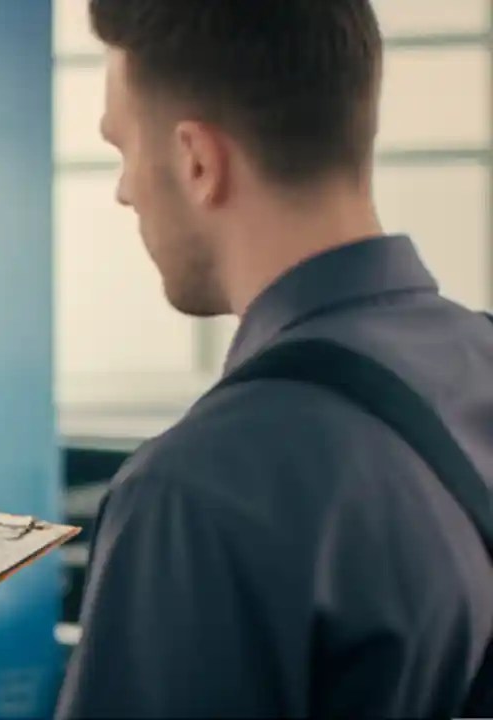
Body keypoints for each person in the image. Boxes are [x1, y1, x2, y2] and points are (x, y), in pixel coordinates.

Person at [56, 0, 493, 717]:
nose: (125, 189)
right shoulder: (478, 364)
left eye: (123, 148)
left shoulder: (197, 491)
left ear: (198, 162)